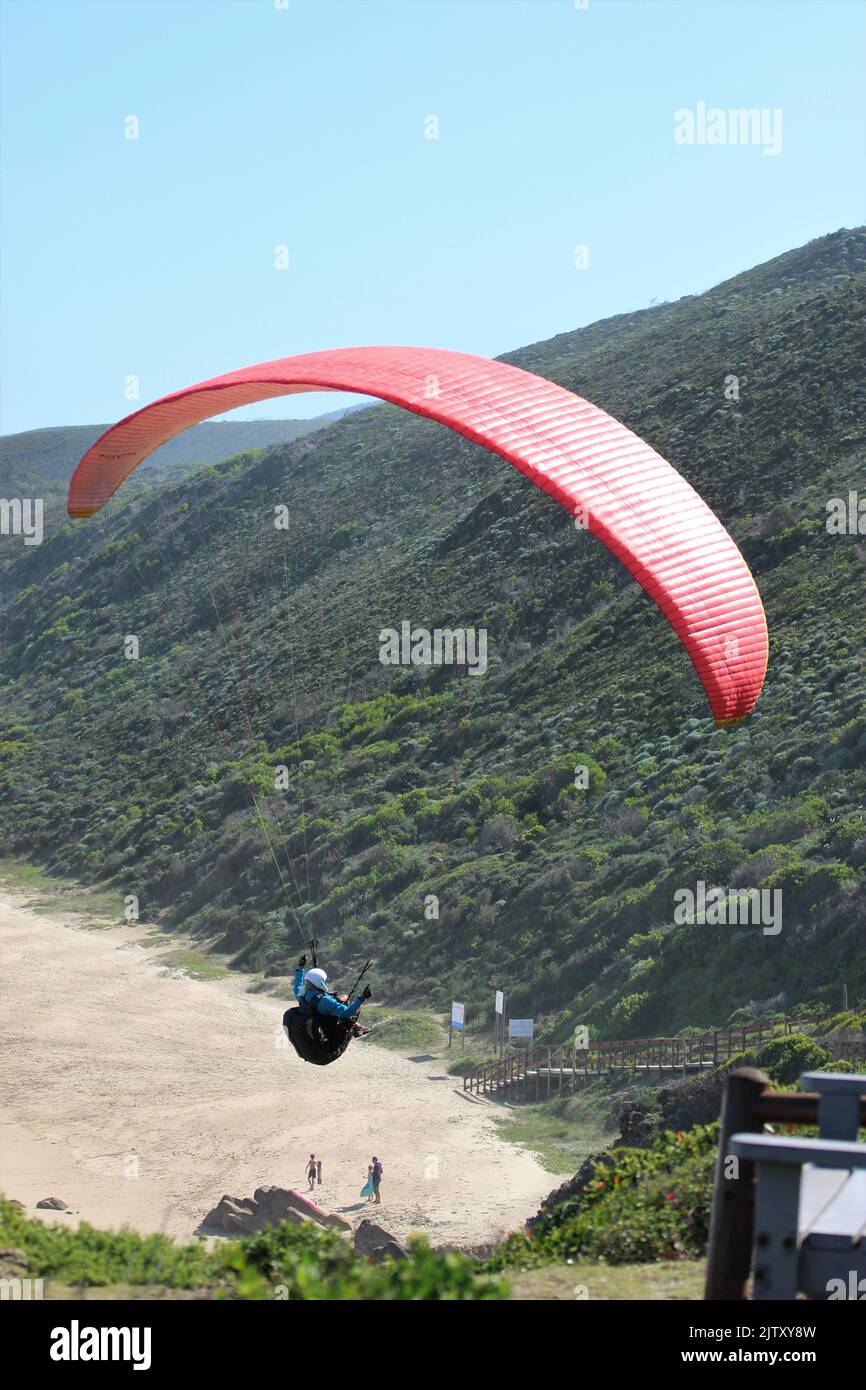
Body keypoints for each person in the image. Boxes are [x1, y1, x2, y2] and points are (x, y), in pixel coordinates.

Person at [282, 951, 372, 1066]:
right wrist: (362, 997)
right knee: (352, 1009)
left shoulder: (301, 994)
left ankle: (356, 1026)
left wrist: (300, 967)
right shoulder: (324, 1001)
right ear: (319, 982)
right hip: (326, 1054)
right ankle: (355, 1029)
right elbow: (349, 1012)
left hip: (307, 1053)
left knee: (342, 999)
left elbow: (298, 984)